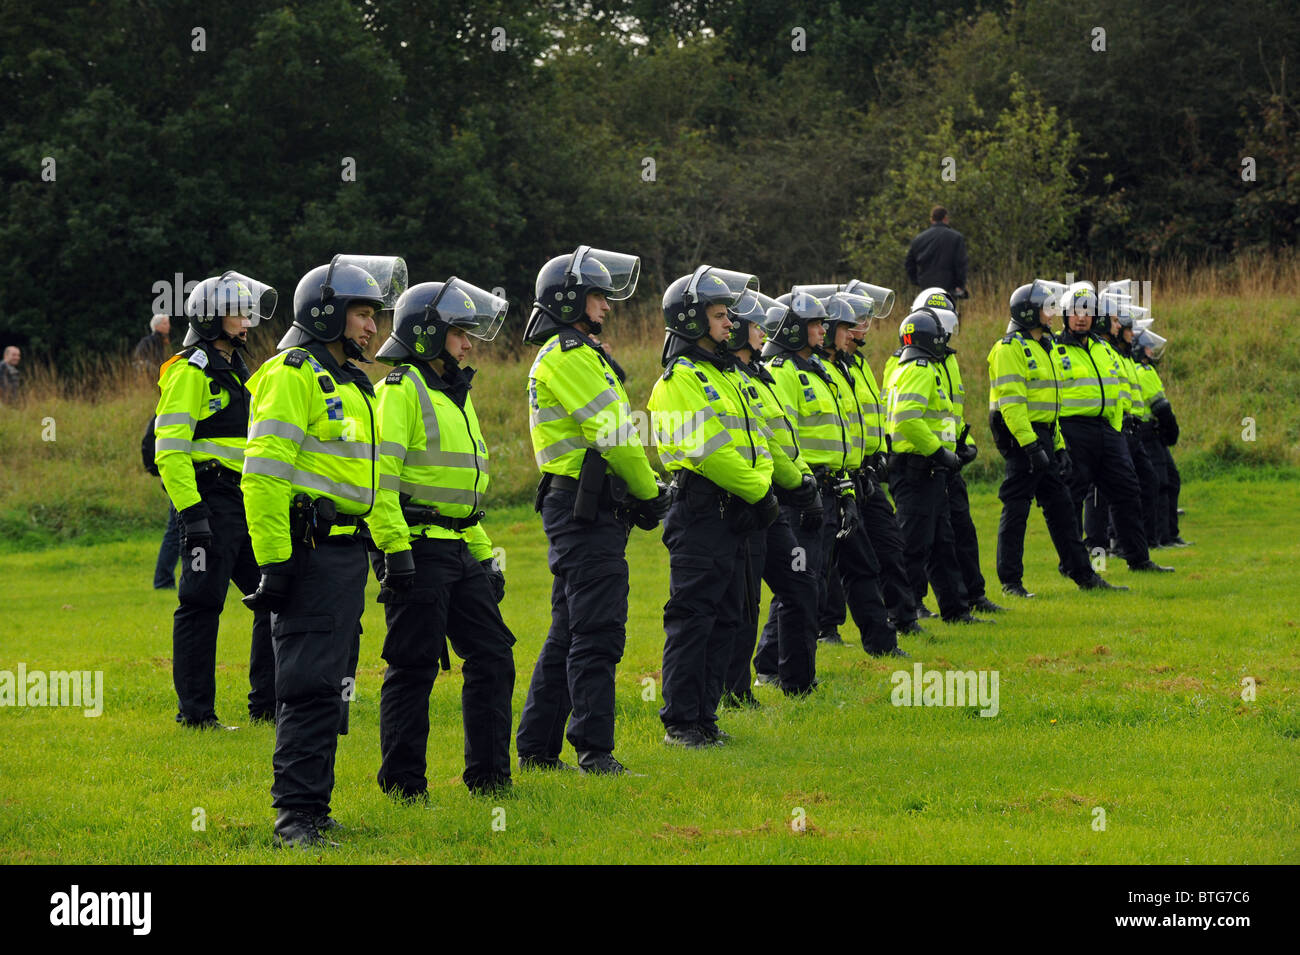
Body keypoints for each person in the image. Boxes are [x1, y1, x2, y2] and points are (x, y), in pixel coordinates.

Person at [242, 254, 397, 848]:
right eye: (362, 314)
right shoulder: (293, 374)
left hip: (345, 555)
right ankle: (294, 820)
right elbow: (264, 475)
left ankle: (316, 808)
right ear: (327, 314)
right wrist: (276, 561)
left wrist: (386, 545)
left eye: (374, 315)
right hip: (308, 554)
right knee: (308, 684)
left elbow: (367, 480)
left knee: (331, 683)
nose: (372, 327)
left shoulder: (352, 383)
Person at [515, 246, 669, 777]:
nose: (605, 306)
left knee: (569, 629)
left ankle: (536, 749)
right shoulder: (572, 356)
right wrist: (650, 493)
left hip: (580, 504)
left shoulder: (574, 352)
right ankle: (594, 751)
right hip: (585, 508)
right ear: (571, 299)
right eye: (597, 296)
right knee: (598, 630)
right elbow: (617, 436)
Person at [368, 278, 516, 799]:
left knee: (494, 655)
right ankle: (404, 787)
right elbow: (378, 482)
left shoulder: (453, 393)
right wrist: (395, 551)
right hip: (416, 548)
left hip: (458, 547)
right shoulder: (400, 390)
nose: (467, 344)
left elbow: (460, 498)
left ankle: (491, 779)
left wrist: (483, 557)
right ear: (429, 334)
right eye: (458, 333)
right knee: (412, 667)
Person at [648, 267, 786, 748]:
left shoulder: (724, 375)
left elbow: (758, 440)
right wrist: (760, 493)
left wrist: (758, 487)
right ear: (692, 320)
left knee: (728, 617)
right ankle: (681, 723)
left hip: (735, 512)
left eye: (729, 315)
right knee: (693, 617)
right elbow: (710, 451)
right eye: (719, 315)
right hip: (702, 511)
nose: (730, 323)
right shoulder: (681, 379)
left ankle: (705, 718)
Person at [154, 271, 279, 729]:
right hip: (209, 501)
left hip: (244, 500)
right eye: (237, 312)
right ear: (211, 317)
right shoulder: (189, 371)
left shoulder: (237, 369)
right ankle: (196, 715)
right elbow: (168, 450)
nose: (247, 320)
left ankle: (266, 706)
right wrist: (193, 515)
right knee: (201, 604)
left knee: (272, 596)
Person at [989, 280, 1125, 596]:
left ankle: (1084, 576)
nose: (1052, 314)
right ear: (1028, 312)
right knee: (1017, 508)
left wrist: (1058, 445)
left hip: (1045, 437)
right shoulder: (1009, 349)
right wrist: (1031, 445)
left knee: (1062, 508)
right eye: (1045, 309)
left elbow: (1053, 404)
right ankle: (1011, 582)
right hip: (1022, 439)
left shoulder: (1044, 347)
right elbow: (1012, 403)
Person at [721, 290, 821, 703]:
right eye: (756, 326)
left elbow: (780, 442)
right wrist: (796, 483)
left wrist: (802, 478)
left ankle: (798, 683)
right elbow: (759, 443)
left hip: (775, 502)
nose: (764, 333)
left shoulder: (759, 374)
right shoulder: (733, 377)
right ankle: (735, 692)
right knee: (744, 604)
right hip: (752, 502)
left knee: (799, 584)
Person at [752, 291, 856, 683]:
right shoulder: (784, 371)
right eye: (814, 324)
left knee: (808, 580)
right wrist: (804, 486)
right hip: (798, 496)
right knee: (797, 579)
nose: (822, 330)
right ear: (795, 329)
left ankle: (783, 666)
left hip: (821, 491)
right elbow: (784, 437)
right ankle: (769, 666)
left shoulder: (813, 368)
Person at [1051, 283, 1173, 574]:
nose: (1082, 318)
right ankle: (1073, 563)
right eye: (1076, 313)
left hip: (1108, 430)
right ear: (1066, 315)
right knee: (1075, 498)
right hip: (1073, 430)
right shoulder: (1053, 348)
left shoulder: (1103, 348)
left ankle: (1138, 559)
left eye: (1088, 313)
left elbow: (1116, 391)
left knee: (1128, 491)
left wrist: (1116, 429)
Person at [815, 289, 906, 655]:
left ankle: (891, 633)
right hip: (832, 481)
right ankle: (814, 637)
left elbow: (868, 415)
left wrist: (879, 452)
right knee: (822, 568)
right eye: (850, 325)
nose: (859, 332)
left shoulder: (855, 364)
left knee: (876, 553)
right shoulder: (815, 369)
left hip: (862, 475)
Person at [885, 309, 987, 624]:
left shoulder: (921, 368)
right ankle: (906, 610)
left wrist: (959, 445)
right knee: (915, 545)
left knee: (943, 543)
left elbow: (937, 419)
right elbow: (908, 418)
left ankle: (955, 609)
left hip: (930, 468)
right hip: (917, 468)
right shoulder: (920, 369)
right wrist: (939, 453)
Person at [1133, 328, 1188, 547]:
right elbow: (1160, 406)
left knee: (1168, 480)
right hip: (1148, 433)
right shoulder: (1144, 372)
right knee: (1161, 483)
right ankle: (1160, 536)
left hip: (1149, 432)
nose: (1151, 351)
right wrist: (1171, 430)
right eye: (1148, 347)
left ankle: (1168, 533)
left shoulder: (1142, 370)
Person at [905, 206, 968, 299]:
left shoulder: (919, 238)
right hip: (949, 286)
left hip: (926, 286)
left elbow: (909, 263)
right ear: (946, 218)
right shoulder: (956, 237)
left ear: (931, 219)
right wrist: (960, 285)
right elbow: (961, 263)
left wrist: (916, 280)